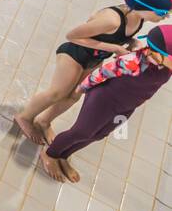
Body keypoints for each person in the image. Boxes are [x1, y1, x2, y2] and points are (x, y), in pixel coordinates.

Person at [14, 0, 172, 160]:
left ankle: (44, 121)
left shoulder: (138, 18)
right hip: (74, 54)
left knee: (73, 96)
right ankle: (25, 117)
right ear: (142, 6)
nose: (165, 17)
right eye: (162, 13)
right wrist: (114, 49)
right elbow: (72, 36)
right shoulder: (111, 20)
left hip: (95, 58)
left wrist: (132, 43)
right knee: (57, 92)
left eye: (167, 14)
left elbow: (120, 38)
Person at [40, 23, 172, 182]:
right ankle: (50, 154)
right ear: (160, 54)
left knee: (99, 134)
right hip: (103, 100)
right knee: (82, 131)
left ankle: (63, 156)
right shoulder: (133, 62)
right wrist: (83, 87)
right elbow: (103, 72)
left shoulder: (166, 69)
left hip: (126, 107)